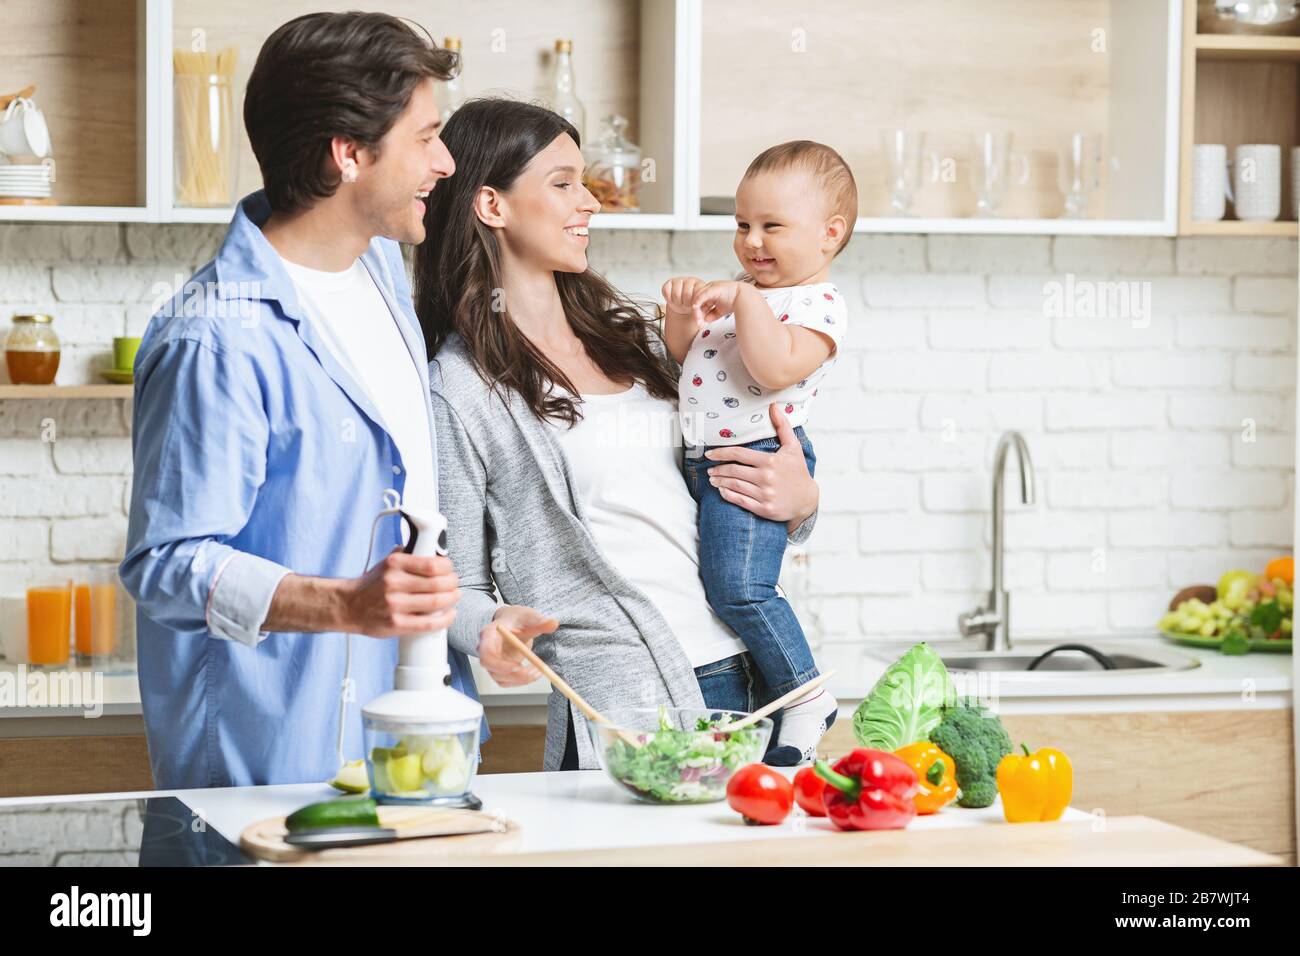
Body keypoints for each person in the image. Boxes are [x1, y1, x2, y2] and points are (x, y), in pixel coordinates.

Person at [120, 12, 484, 789]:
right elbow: (167, 564)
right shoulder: (215, 339)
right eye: (425, 137)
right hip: (275, 772)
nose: (446, 162)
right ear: (349, 153)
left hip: (411, 741)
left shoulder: (383, 274)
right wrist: (346, 605)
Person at [412, 98, 822, 771]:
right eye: (563, 182)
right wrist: (489, 629)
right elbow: (452, 582)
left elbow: (740, 470)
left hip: (755, 678)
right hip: (628, 701)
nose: (591, 202)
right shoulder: (461, 388)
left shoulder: (636, 338)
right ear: (492, 205)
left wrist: (802, 503)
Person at [661, 140, 856, 763]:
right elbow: (687, 360)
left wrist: (744, 301)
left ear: (830, 234)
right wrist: (681, 317)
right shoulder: (749, 291)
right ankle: (780, 698)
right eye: (742, 224)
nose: (752, 240)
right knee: (721, 588)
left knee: (741, 590)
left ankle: (804, 694)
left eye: (773, 225)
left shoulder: (816, 305)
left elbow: (772, 369)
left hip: (759, 456)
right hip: (708, 460)